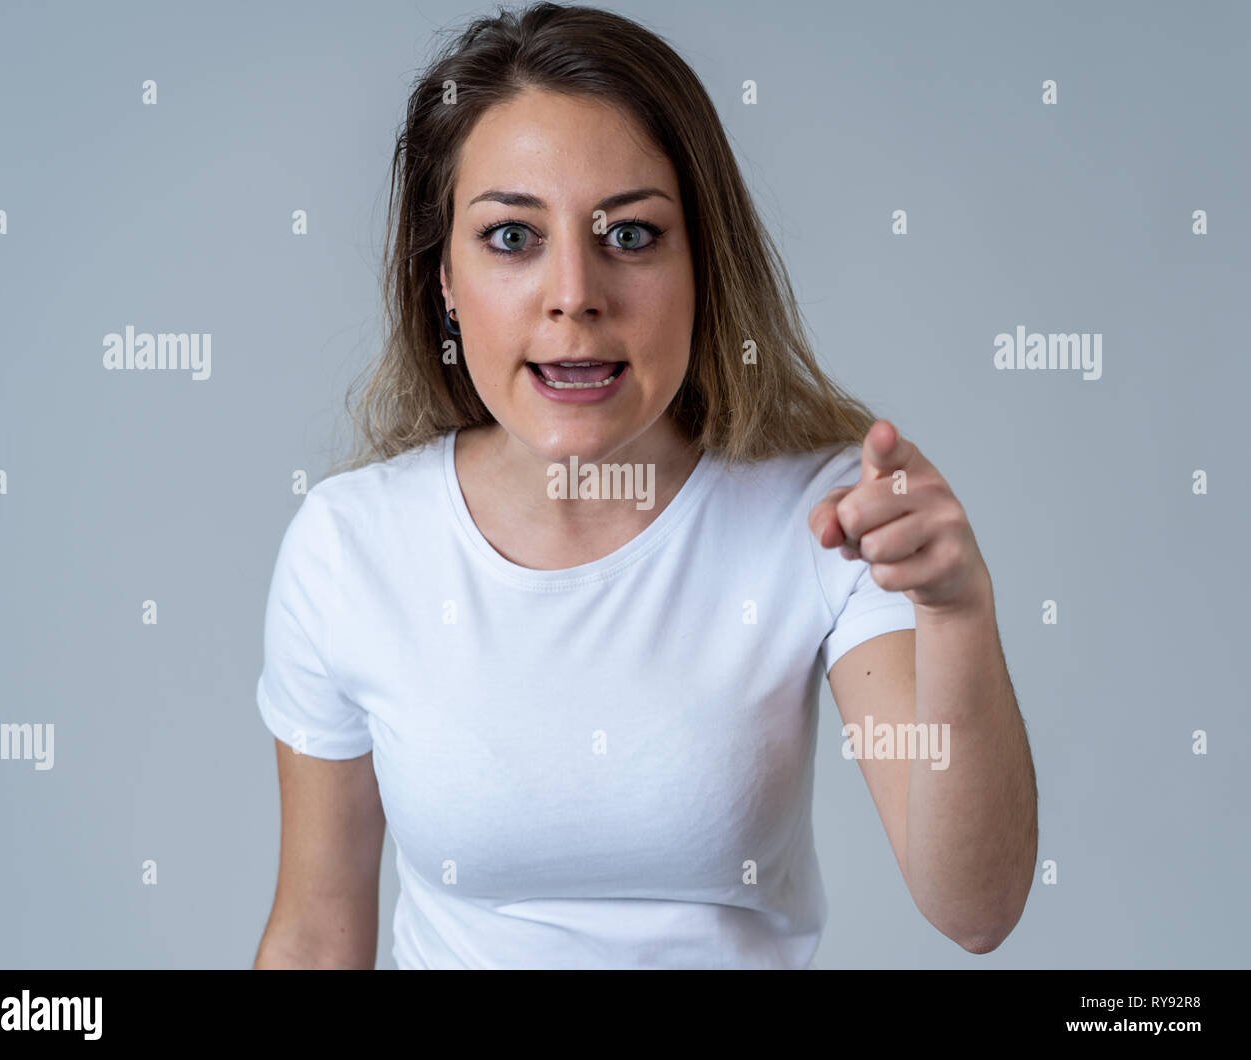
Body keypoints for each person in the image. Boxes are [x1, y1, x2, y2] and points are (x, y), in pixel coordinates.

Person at [252, 2, 1037, 970]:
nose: (574, 291)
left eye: (629, 235)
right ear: (442, 277)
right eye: (510, 238)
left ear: (702, 262)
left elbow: (975, 908)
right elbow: (318, 933)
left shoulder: (825, 515)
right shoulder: (349, 546)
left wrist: (957, 612)